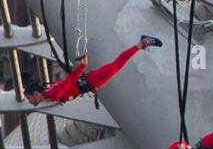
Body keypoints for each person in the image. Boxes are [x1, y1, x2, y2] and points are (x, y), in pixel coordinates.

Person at [24, 35, 162, 106]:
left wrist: (81, 67)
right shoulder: (50, 93)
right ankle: (141, 44)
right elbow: (68, 83)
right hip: (87, 81)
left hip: (89, 81)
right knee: (116, 65)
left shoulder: (53, 95)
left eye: (29, 98)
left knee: (116, 65)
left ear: (35, 93)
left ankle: (142, 43)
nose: (30, 102)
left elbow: (69, 82)